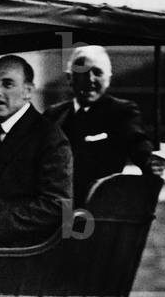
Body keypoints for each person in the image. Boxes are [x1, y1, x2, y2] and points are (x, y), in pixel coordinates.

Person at [0, 55, 73, 246]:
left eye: (8, 84)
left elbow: (58, 207)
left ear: (28, 91)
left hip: (18, 251)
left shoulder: (48, 137)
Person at [44, 45, 156, 207]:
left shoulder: (120, 112)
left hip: (99, 211)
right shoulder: (54, 115)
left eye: (97, 72)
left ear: (108, 78)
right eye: (82, 72)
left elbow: (138, 142)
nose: (90, 79)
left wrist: (151, 163)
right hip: (53, 209)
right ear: (70, 78)